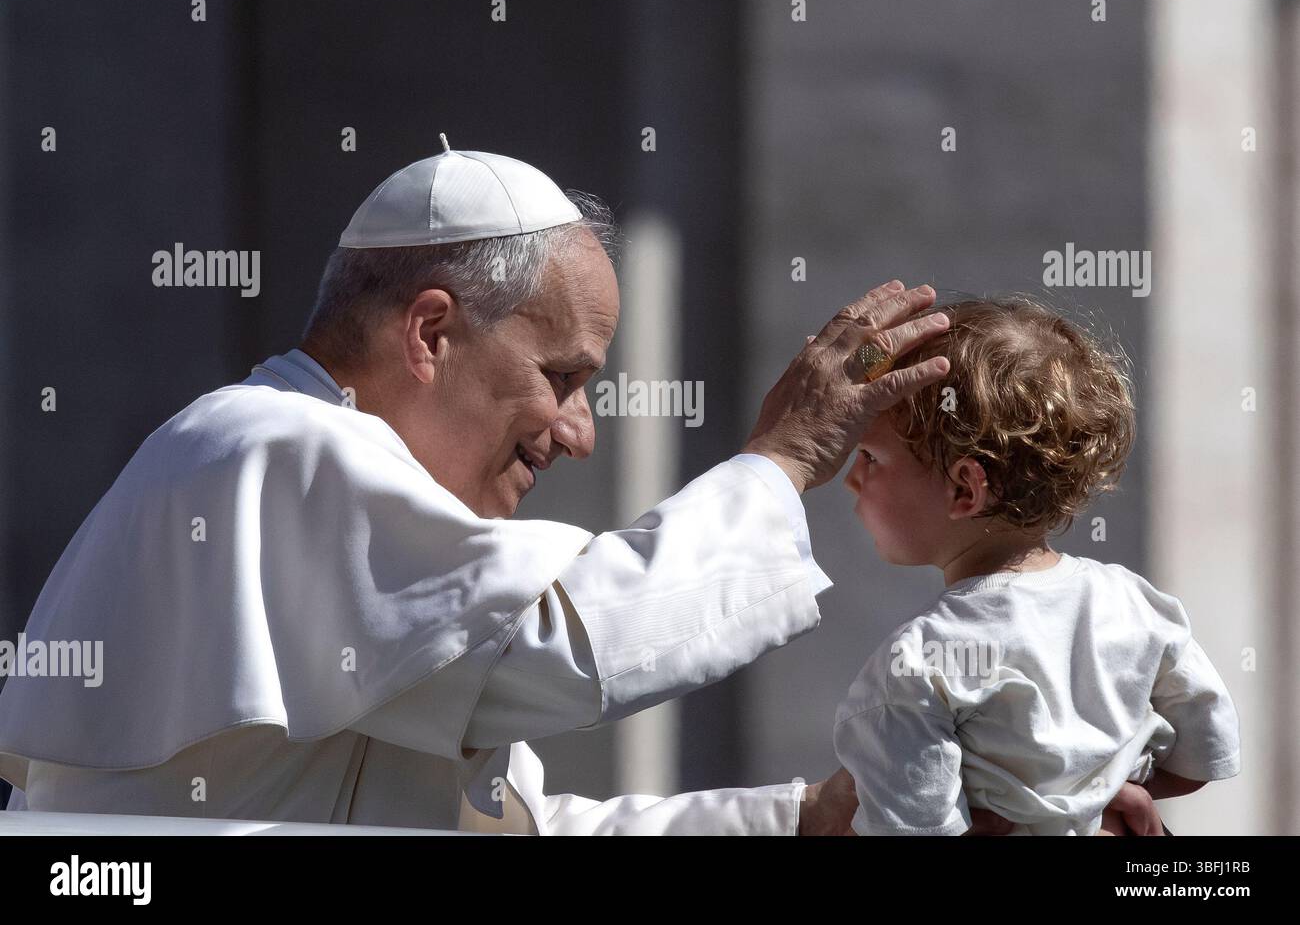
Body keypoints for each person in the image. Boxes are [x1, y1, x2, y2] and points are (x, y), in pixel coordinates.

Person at [0, 145, 1160, 834]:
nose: (578, 430)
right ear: (434, 333)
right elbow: (566, 640)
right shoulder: (267, 447)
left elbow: (526, 829)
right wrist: (783, 460)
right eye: (562, 376)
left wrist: (811, 818)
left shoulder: (361, 513)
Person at [833, 297, 1240, 835]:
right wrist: (1099, 797)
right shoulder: (1134, 604)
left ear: (964, 487)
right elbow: (1204, 756)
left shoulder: (917, 666)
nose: (850, 479)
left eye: (870, 458)